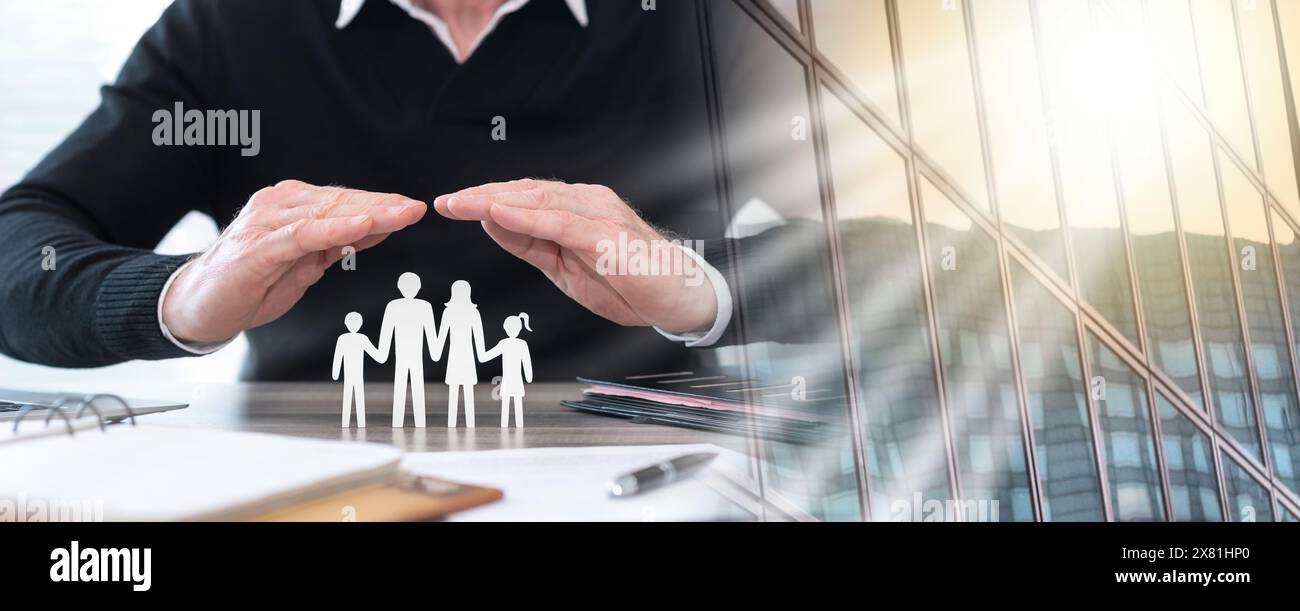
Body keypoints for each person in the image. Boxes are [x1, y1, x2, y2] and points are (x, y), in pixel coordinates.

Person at [0, 0, 764, 381]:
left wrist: (702, 286)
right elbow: (20, 248)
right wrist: (179, 293)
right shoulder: (233, 27)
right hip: (311, 471)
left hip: (645, 463)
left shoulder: (709, 22)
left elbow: (881, 251)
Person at [377, 273, 439, 428]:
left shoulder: (395, 306)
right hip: (410, 355)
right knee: (412, 386)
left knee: (405, 386)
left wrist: (382, 353)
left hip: (409, 355)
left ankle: (405, 422)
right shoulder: (423, 306)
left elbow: (386, 333)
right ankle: (409, 422)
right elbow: (431, 334)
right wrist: (435, 352)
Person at [433, 281, 486, 427]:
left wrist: (435, 353)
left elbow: (441, 337)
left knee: (454, 391)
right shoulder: (473, 312)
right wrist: (483, 354)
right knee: (466, 391)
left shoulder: (448, 312)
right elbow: (479, 340)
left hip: (455, 357)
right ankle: (468, 423)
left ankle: (453, 423)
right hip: (466, 357)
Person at [332, 312, 384, 428]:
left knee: (357, 397)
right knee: (349, 397)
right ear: (346, 324)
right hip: (350, 374)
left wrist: (381, 355)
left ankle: (360, 423)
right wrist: (335, 372)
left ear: (360, 324)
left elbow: (374, 353)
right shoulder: (344, 339)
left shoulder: (361, 338)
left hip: (357, 374)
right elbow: (338, 356)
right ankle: (347, 423)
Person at [482, 313, 533, 428]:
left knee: (510, 404)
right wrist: (529, 376)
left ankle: (509, 425)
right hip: (513, 381)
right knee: (513, 404)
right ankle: (511, 425)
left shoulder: (506, 343)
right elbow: (527, 363)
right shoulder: (520, 344)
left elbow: (487, 356)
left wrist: (481, 353)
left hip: (511, 380)